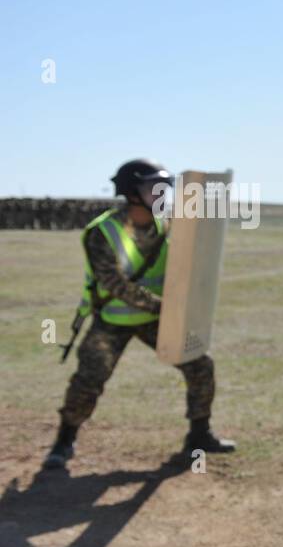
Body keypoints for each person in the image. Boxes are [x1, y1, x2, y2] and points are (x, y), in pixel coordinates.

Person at [43, 159, 235, 470]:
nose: (162, 195)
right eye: (153, 188)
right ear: (132, 193)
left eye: (164, 188)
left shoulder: (169, 226)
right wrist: (166, 307)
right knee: (88, 381)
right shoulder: (103, 231)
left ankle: (199, 434)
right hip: (113, 320)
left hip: (155, 320)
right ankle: (64, 441)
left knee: (200, 365)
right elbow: (115, 284)